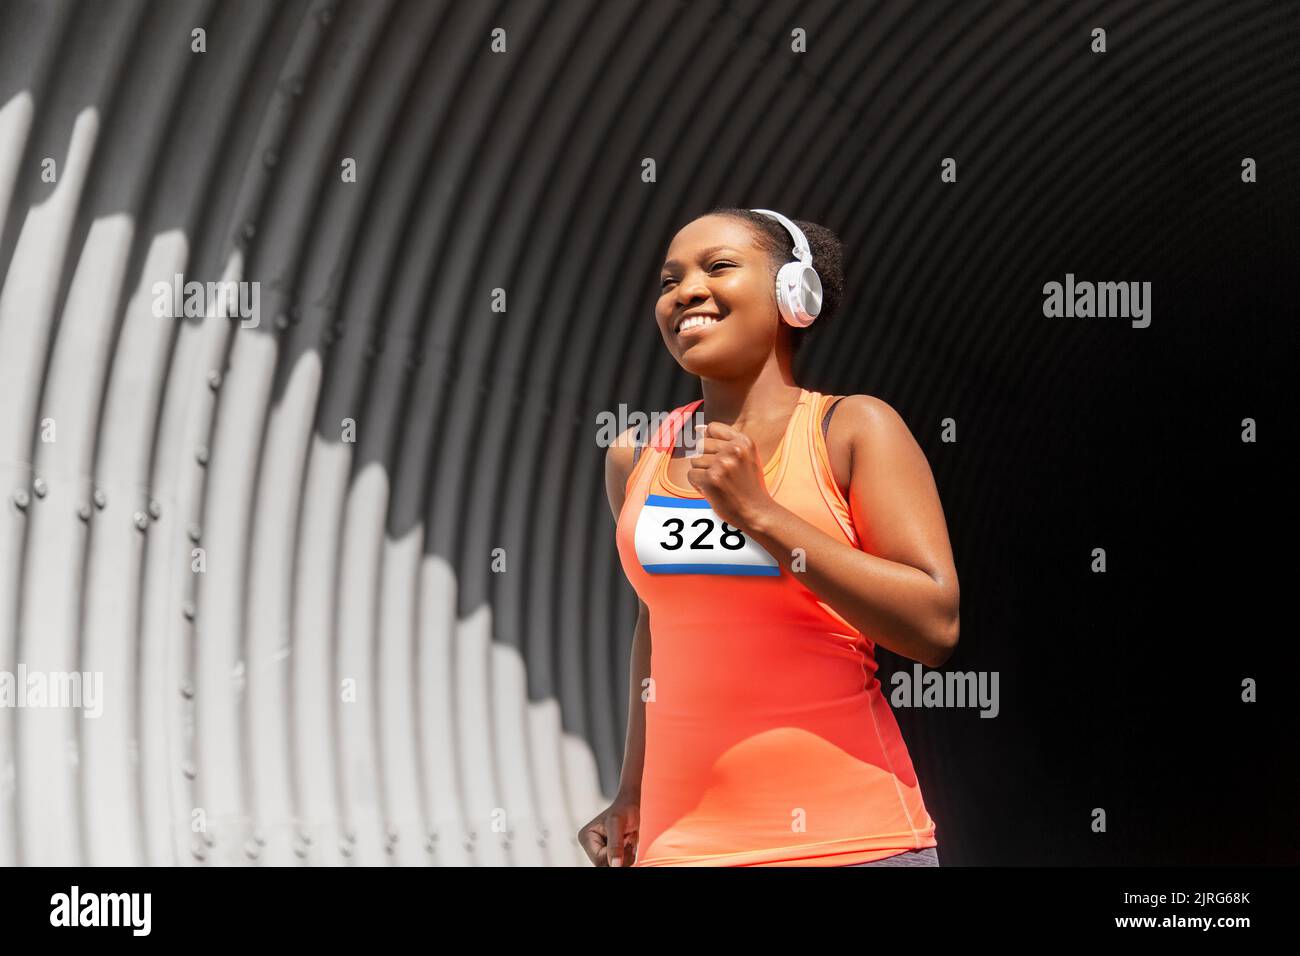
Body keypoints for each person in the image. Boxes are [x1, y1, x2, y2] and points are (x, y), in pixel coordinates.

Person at [578, 208, 960, 867]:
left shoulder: (853, 430)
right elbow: (655, 628)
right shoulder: (634, 455)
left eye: (718, 267)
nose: (686, 291)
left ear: (794, 296)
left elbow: (934, 625)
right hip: (679, 848)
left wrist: (761, 514)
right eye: (671, 280)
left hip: (853, 845)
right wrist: (631, 791)